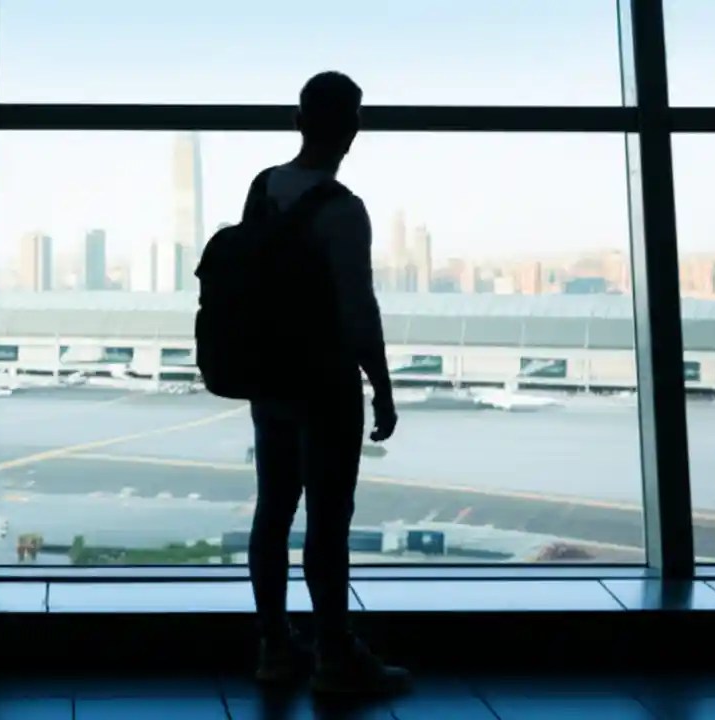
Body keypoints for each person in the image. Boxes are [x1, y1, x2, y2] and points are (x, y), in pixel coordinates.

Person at [244, 71, 408, 695]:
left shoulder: (263, 189)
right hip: (326, 381)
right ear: (352, 128)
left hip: (270, 378)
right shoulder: (344, 210)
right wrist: (383, 387)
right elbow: (357, 310)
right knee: (328, 521)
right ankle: (335, 657)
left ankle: (274, 646)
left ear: (298, 121)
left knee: (273, 511)